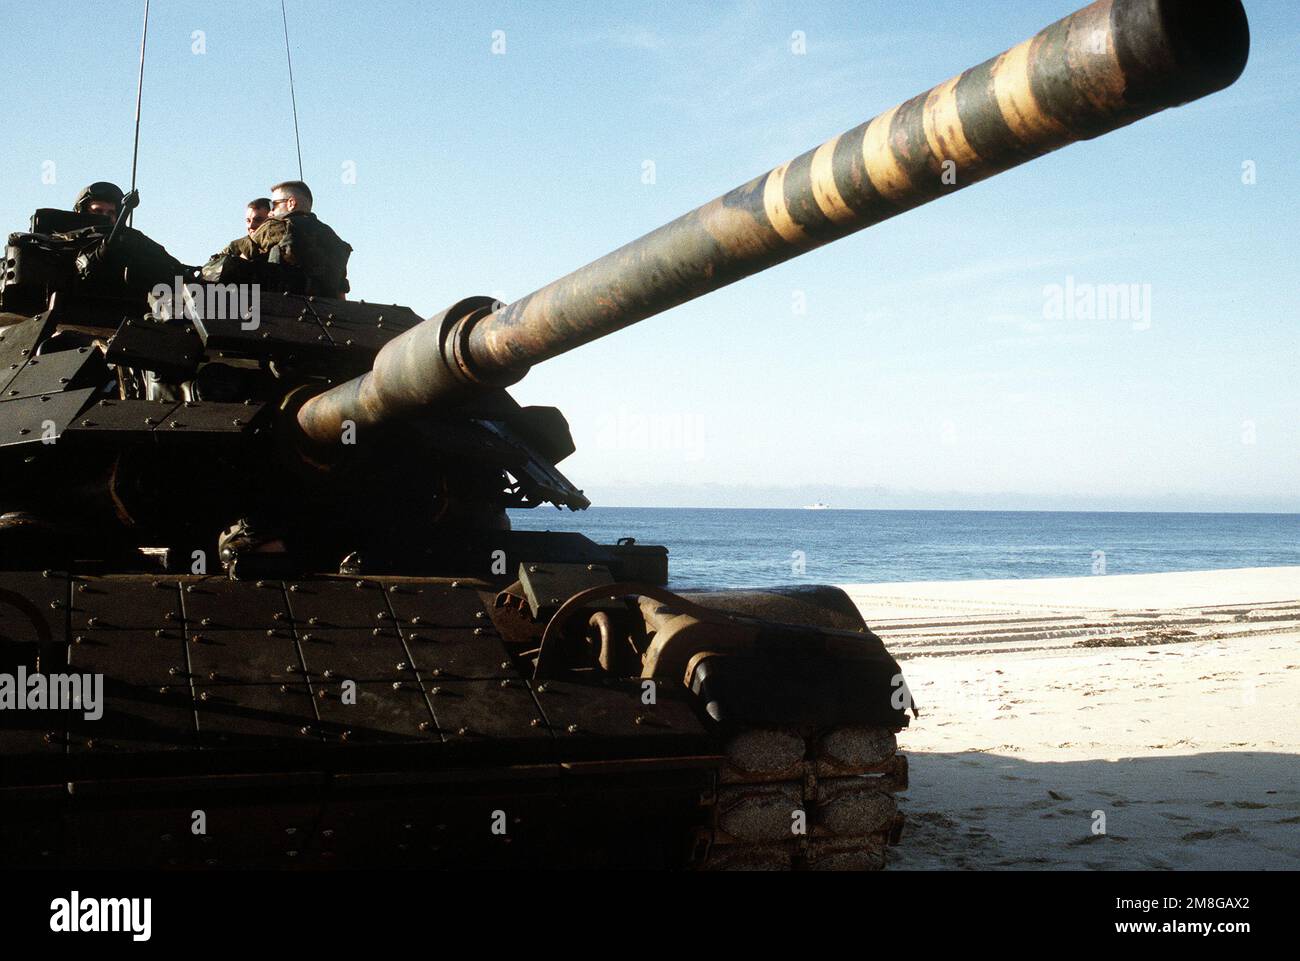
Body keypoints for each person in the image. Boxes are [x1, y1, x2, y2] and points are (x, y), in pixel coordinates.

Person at [209, 180, 351, 298]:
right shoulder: (335, 240)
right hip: (322, 314)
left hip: (282, 307)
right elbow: (341, 292)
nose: (271, 211)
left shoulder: (280, 224)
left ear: (291, 203)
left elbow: (238, 250)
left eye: (274, 204)